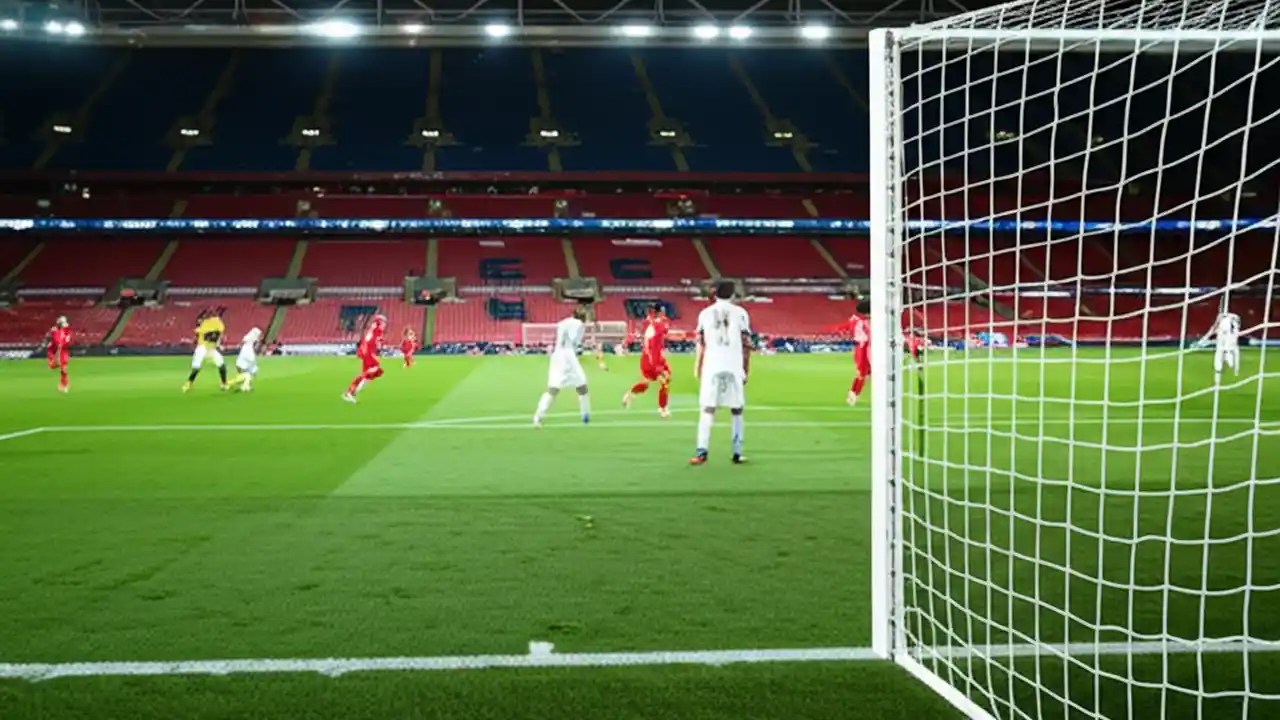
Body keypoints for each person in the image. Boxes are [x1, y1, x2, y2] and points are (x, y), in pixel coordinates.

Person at [690, 281, 751, 465]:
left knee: (707, 408)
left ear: (715, 294)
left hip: (712, 364)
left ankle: (701, 452)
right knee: (737, 409)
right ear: (732, 294)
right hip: (733, 364)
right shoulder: (741, 313)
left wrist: (697, 366)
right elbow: (746, 343)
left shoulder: (704, 313)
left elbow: (701, 343)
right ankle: (737, 452)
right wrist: (746, 368)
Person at [533, 305, 592, 427]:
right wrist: (584, 347)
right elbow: (574, 340)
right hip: (568, 356)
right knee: (582, 386)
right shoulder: (579, 324)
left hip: (557, 356)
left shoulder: (563, 322)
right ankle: (585, 413)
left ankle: (538, 416)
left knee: (553, 389)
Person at [622, 303, 672, 418]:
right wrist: (658, 366)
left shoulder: (651, 324)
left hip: (649, 358)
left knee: (646, 384)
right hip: (652, 359)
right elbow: (655, 342)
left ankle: (629, 394)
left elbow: (643, 335)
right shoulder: (657, 325)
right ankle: (663, 409)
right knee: (664, 381)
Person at [343, 314, 387, 403]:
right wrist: (379, 348)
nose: (384, 324)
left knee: (369, 376)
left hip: (366, 352)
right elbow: (376, 342)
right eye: (383, 322)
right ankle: (350, 391)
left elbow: (373, 341)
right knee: (374, 369)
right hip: (368, 353)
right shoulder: (378, 329)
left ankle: (351, 393)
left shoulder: (373, 329)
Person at [183, 307, 228, 392]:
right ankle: (224, 384)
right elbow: (219, 334)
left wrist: (201, 316)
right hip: (207, 348)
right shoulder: (219, 324)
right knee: (221, 365)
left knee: (197, 367)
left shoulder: (205, 323)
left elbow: (198, 326)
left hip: (205, 348)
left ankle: (188, 384)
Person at [847, 299, 871, 406]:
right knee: (863, 374)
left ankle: (853, 393)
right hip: (864, 347)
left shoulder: (855, 319)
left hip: (859, 346)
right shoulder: (864, 322)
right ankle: (853, 394)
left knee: (865, 373)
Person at [228, 327, 263, 392]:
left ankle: (245, 385)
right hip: (249, 354)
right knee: (249, 372)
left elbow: (242, 342)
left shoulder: (247, 337)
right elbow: (257, 346)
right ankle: (245, 385)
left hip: (244, 353)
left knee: (243, 371)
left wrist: (239, 346)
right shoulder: (254, 339)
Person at [45, 316, 72, 393]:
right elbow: (52, 339)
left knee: (64, 369)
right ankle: (63, 383)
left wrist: (62, 344)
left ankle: (64, 385)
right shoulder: (54, 330)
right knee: (52, 366)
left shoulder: (67, 332)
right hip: (52, 350)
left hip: (62, 351)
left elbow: (66, 342)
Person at [1213, 309, 1241, 379]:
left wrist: (1217, 330)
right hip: (1233, 343)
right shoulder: (1235, 317)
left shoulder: (1223, 318)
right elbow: (1238, 325)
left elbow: (1217, 329)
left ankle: (1223, 366)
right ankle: (1235, 370)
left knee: (1221, 356)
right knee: (1234, 355)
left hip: (1226, 342)